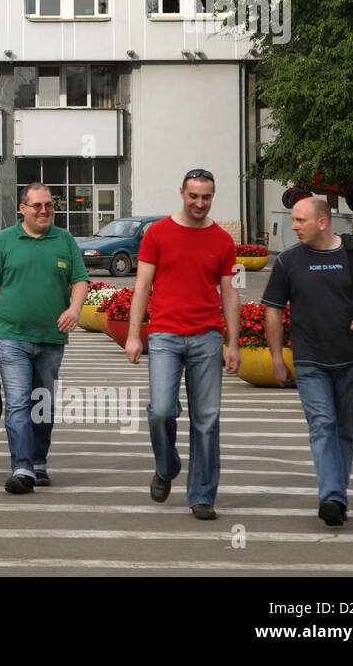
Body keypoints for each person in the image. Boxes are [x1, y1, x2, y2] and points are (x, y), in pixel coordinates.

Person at [262, 196, 353, 526]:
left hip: (352, 361)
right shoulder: (288, 261)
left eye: (300, 220)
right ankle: (332, 497)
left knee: (345, 432)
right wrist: (278, 358)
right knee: (322, 426)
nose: (293, 226)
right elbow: (273, 310)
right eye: (292, 220)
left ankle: (335, 493)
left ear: (322, 222)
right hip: (310, 362)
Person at [124, 168, 241, 521]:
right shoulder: (158, 233)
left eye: (206, 197)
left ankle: (202, 495)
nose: (200, 203)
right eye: (193, 196)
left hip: (207, 337)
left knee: (206, 420)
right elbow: (142, 287)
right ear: (181, 193)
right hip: (164, 336)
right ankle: (166, 465)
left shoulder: (222, 240)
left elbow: (230, 292)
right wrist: (133, 335)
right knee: (161, 410)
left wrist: (232, 342)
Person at [0, 182, 88, 493]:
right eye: (37, 205)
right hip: (12, 336)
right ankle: (22, 467)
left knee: (43, 402)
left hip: (51, 338)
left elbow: (80, 281)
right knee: (19, 402)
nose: (44, 210)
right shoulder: (4, 241)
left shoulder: (64, 240)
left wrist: (75, 308)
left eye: (49, 204)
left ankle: (38, 461)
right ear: (22, 209)